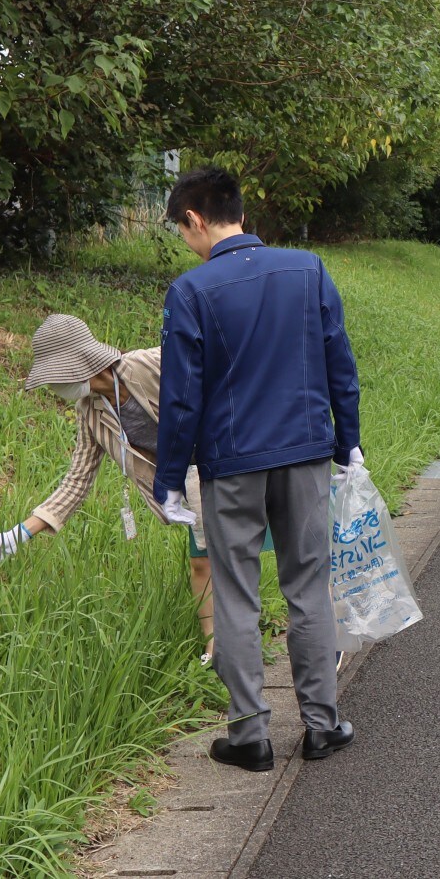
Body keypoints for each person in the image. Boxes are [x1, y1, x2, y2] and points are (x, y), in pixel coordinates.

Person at [154, 167, 362, 773]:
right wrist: (348, 445)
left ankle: (250, 737)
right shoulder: (308, 269)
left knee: (238, 597)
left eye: (182, 230)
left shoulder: (192, 292)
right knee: (308, 588)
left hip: (230, 462)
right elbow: (339, 363)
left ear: (195, 218)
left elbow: (181, 398)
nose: (186, 243)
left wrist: (170, 479)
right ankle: (322, 726)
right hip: (305, 454)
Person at [0, 314, 225, 666]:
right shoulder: (90, 411)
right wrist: (15, 537)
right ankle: (215, 649)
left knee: (248, 551)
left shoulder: (152, 365)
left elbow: (219, 378)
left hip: (229, 462)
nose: (54, 388)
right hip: (190, 486)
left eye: (55, 377)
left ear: (78, 365)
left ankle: (262, 634)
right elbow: (76, 482)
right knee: (202, 563)